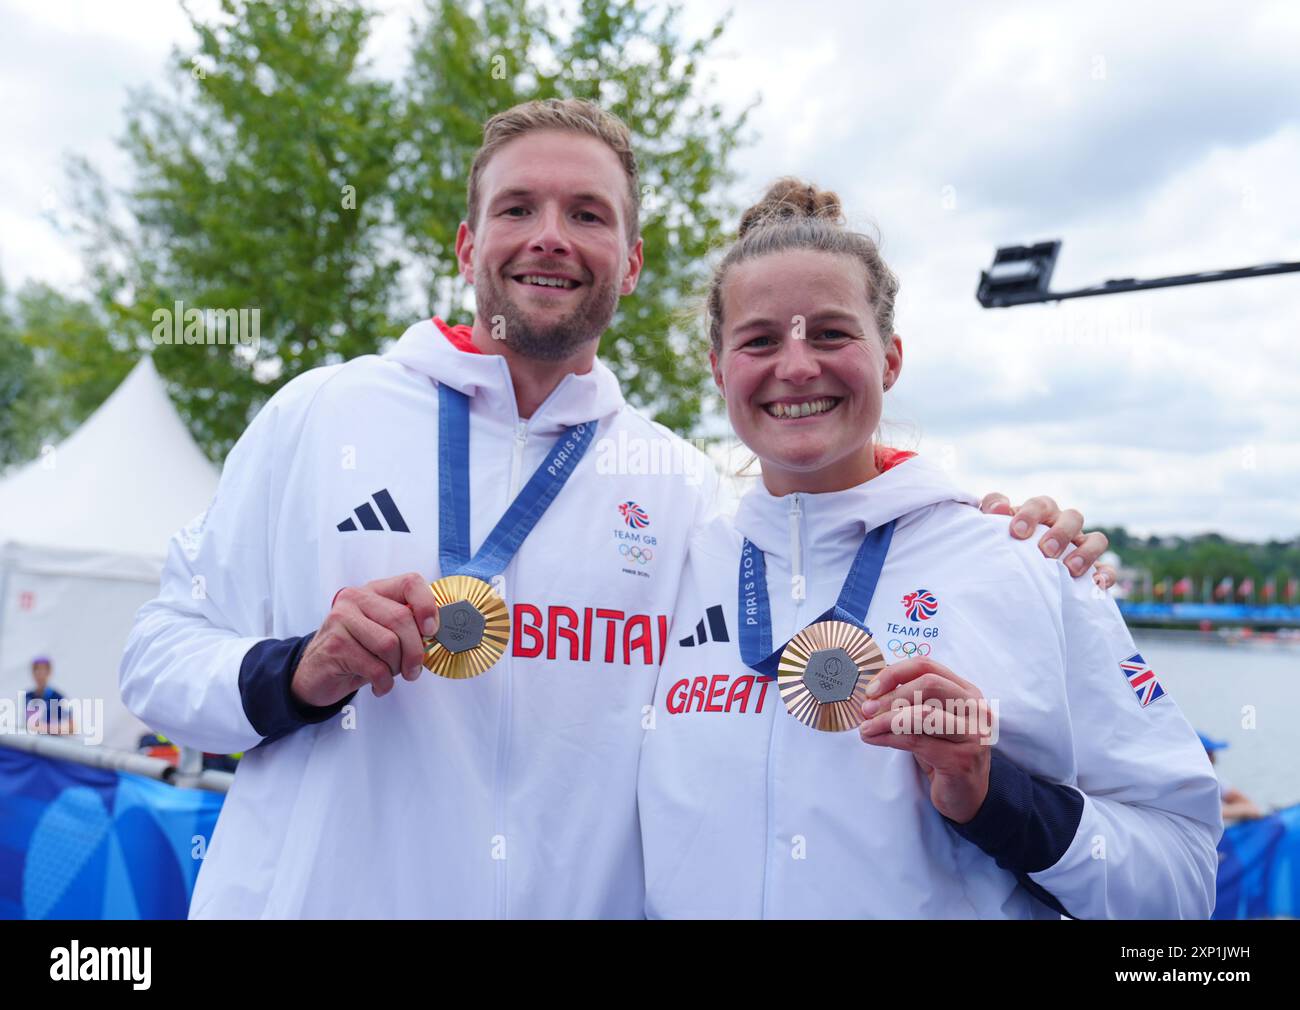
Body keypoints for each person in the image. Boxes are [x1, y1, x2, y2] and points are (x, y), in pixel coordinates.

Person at [120, 100, 1111, 919]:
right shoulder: (318, 413)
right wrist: (300, 668)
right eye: (519, 208)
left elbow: (827, 535)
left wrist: (1002, 539)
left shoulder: (681, 485)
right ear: (470, 243)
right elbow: (158, 658)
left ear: (629, 263)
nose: (551, 234)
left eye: (588, 213)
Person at [637, 179, 1222, 919]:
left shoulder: (1023, 563)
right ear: (720, 368)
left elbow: (1182, 877)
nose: (795, 366)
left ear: (890, 359)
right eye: (759, 340)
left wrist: (989, 794)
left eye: (830, 333)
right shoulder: (678, 567)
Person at [1199, 733, 1263, 822]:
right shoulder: (1181, 786)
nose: (1215, 759)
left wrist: (1213, 812)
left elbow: (1253, 809)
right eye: (1210, 753)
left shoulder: (1215, 781)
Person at [25, 657, 73, 735]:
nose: (40, 675)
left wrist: (47, 728)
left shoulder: (58, 698)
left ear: (49, 673)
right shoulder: (27, 697)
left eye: (43, 671)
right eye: (37, 671)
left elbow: (72, 728)